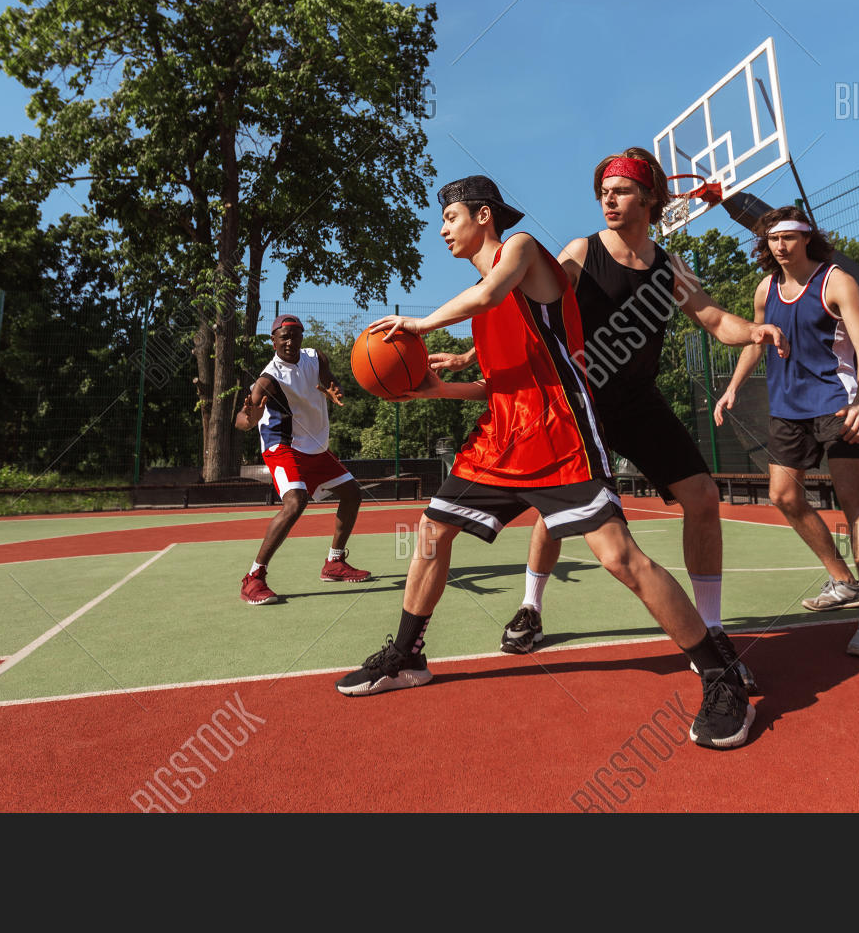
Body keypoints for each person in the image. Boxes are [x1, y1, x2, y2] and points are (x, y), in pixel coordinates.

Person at [335, 175, 755, 750]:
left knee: (618, 556)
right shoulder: (485, 302)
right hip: (502, 435)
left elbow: (486, 298)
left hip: (559, 429)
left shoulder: (523, 251)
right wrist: (434, 390)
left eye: (451, 217)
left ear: (484, 216)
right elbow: (494, 385)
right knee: (434, 528)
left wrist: (417, 322)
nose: (443, 230)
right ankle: (408, 653)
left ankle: (719, 675)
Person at [430, 148, 785, 688]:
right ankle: (531, 606)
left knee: (703, 498)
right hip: (581, 399)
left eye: (619, 190)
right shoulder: (581, 252)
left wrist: (753, 330)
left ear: (648, 197)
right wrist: (467, 358)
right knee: (556, 516)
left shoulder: (669, 268)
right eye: (603, 191)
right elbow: (531, 313)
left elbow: (715, 319)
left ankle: (711, 627)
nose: (607, 199)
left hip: (638, 402)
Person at [713, 205, 859, 657]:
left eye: (789, 237)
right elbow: (756, 341)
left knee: (855, 500)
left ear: (806, 238)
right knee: (784, 496)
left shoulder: (835, 282)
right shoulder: (765, 288)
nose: (780, 245)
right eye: (773, 238)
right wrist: (732, 387)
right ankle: (842, 579)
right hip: (788, 411)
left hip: (838, 405)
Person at [232, 313, 371, 604]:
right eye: (284, 337)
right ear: (273, 341)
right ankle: (253, 578)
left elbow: (327, 379)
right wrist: (251, 417)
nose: (290, 342)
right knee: (296, 502)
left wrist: (334, 387)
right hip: (282, 445)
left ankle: (334, 563)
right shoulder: (269, 379)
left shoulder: (315, 357)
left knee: (352, 494)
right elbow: (240, 420)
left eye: (295, 335)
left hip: (315, 445)